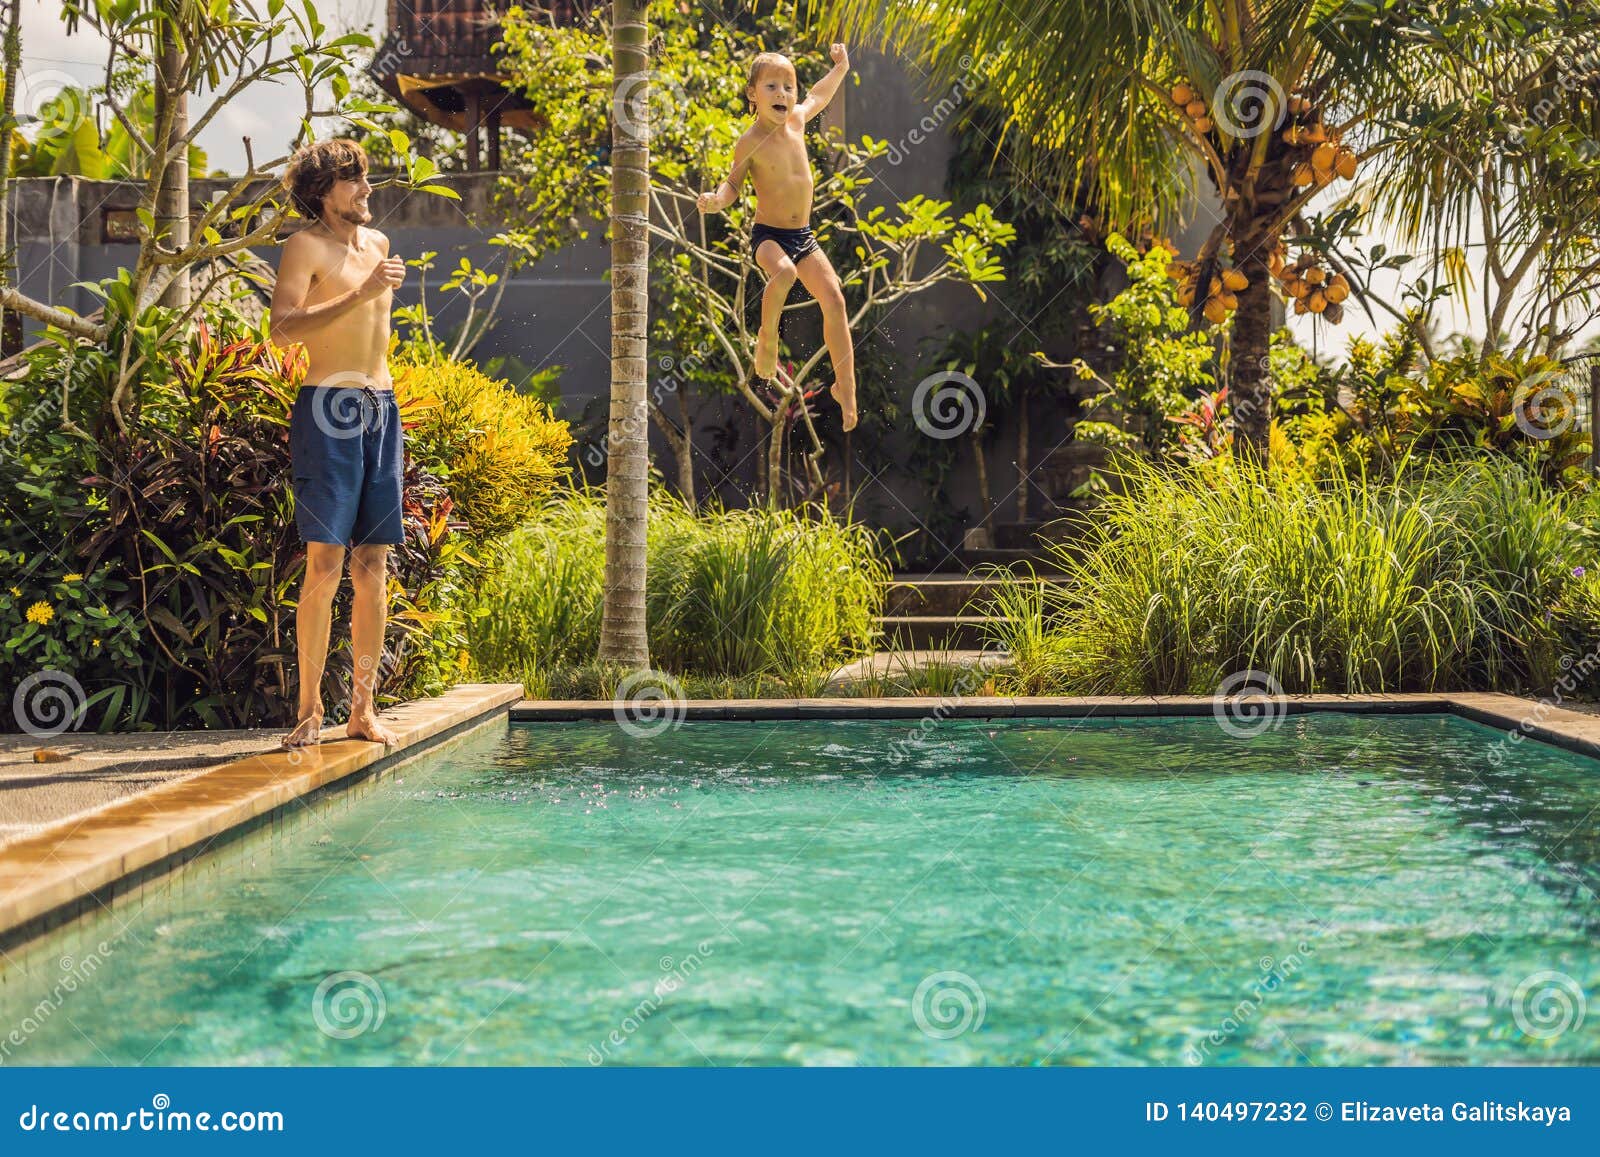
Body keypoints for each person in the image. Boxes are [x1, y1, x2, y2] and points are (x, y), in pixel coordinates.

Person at [269, 139, 406, 748]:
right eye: (353, 181)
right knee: (325, 563)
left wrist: (371, 287)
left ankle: (362, 709)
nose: (367, 190)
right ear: (324, 192)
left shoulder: (378, 247)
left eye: (366, 179)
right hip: (328, 410)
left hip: (382, 408)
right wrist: (359, 293)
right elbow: (281, 330)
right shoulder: (305, 246)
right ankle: (308, 710)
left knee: (373, 563)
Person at [697, 44, 858, 431]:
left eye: (789, 86)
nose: (783, 94)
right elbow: (734, 183)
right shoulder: (749, 141)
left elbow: (820, 93)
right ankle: (766, 340)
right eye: (772, 86)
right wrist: (719, 199)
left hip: (803, 235)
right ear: (752, 94)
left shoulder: (799, 121)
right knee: (782, 275)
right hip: (768, 236)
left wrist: (842, 67)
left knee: (834, 299)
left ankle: (846, 387)